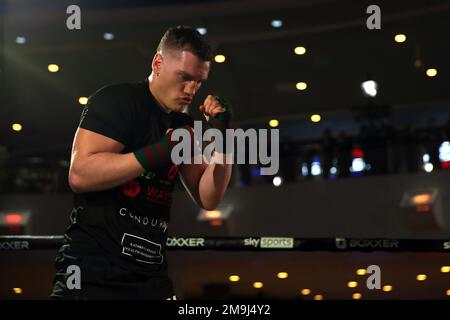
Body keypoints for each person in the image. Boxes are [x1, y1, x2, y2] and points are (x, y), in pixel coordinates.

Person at [50, 26, 232, 299]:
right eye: (183, 77)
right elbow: (80, 175)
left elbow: (208, 197)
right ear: (158, 63)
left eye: (198, 81)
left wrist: (224, 137)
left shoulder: (183, 125)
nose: (191, 89)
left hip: (150, 276)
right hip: (92, 274)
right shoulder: (117, 100)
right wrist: (157, 153)